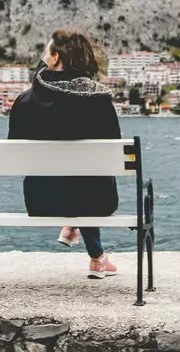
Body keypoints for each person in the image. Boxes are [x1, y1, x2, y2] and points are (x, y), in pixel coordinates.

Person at [7, 28, 121, 279]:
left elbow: (15, 149)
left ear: (55, 57)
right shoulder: (98, 99)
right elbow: (112, 151)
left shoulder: (25, 101)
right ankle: (94, 253)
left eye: (45, 52)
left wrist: (40, 74)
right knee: (88, 180)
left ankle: (88, 245)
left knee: (73, 181)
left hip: (42, 199)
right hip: (97, 200)